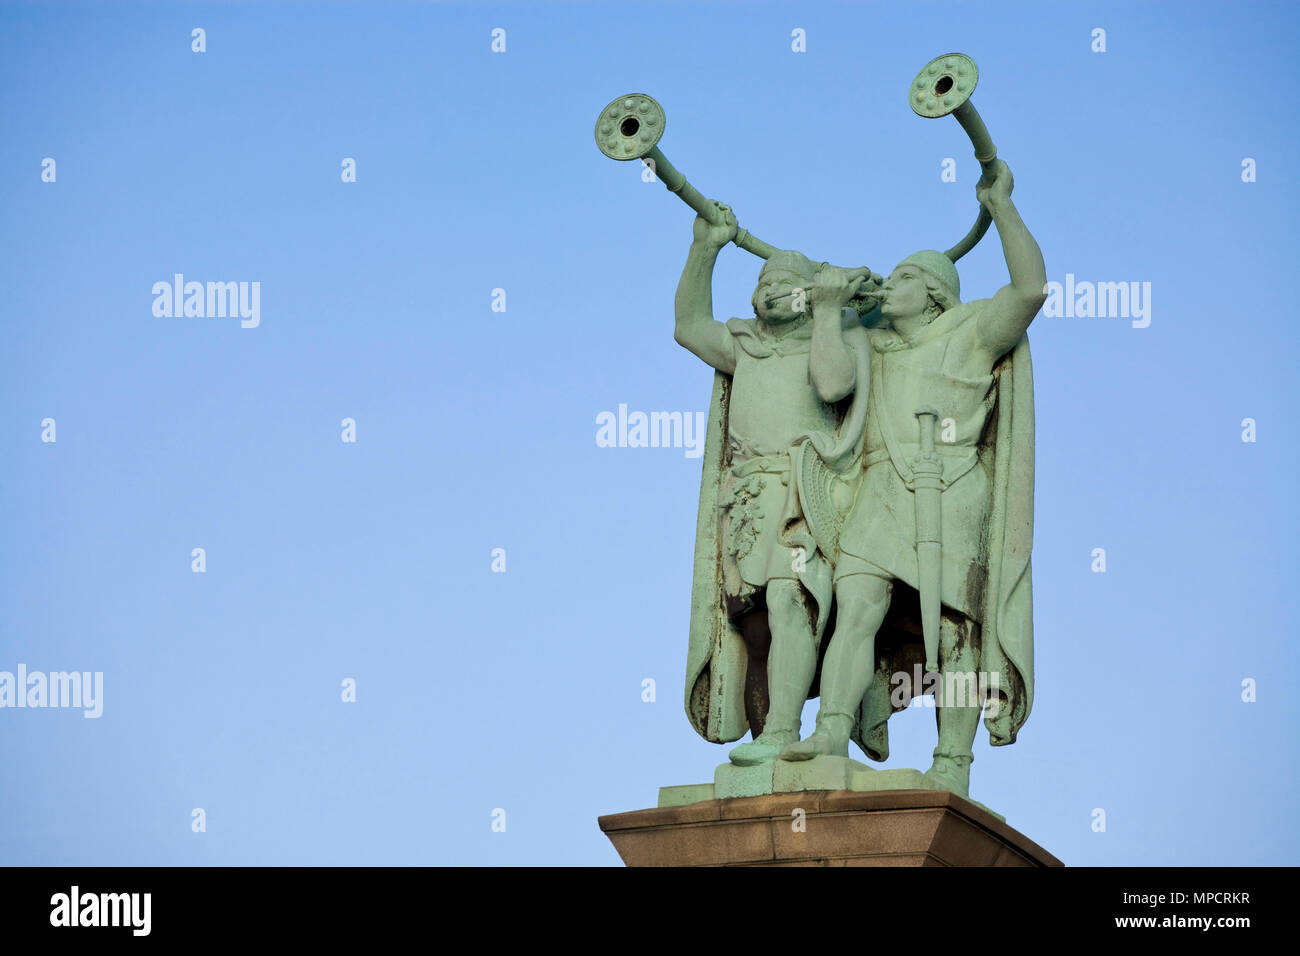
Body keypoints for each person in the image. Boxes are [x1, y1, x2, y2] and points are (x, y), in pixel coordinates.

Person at [779, 160, 1045, 798]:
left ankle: (952, 757)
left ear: (933, 292)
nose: (888, 283)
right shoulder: (868, 342)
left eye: (902, 276)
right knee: (856, 607)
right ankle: (831, 728)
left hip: (951, 489)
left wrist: (1000, 205)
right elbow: (830, 385)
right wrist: (828, 310)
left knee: (956, 629)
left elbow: (1031, 289)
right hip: (881, 487)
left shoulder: (970, 331)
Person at [675, 201, 878, 765]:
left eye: (783, 284)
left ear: (810, 294)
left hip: (805, 490)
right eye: (762, 284)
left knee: (795, 599)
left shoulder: (839, 334)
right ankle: (769, 731)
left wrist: (832, 312)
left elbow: (834, 386)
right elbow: (688, 326)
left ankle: (786, 731)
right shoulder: (745, 345)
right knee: (755, 622)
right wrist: (706, 248)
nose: (765, 294)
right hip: (747, 496)